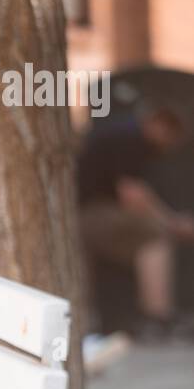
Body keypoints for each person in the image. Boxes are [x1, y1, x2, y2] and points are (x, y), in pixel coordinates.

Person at [78, 104, 194, 338]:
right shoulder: (130, 138)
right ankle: (157, 317)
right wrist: (173, 223)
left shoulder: (125, 132)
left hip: (92, 213)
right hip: (89, 214)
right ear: (161, 125)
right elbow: (132, 195)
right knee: (155, 235)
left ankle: (155, 317)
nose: (168, 147)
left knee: (153, 236)